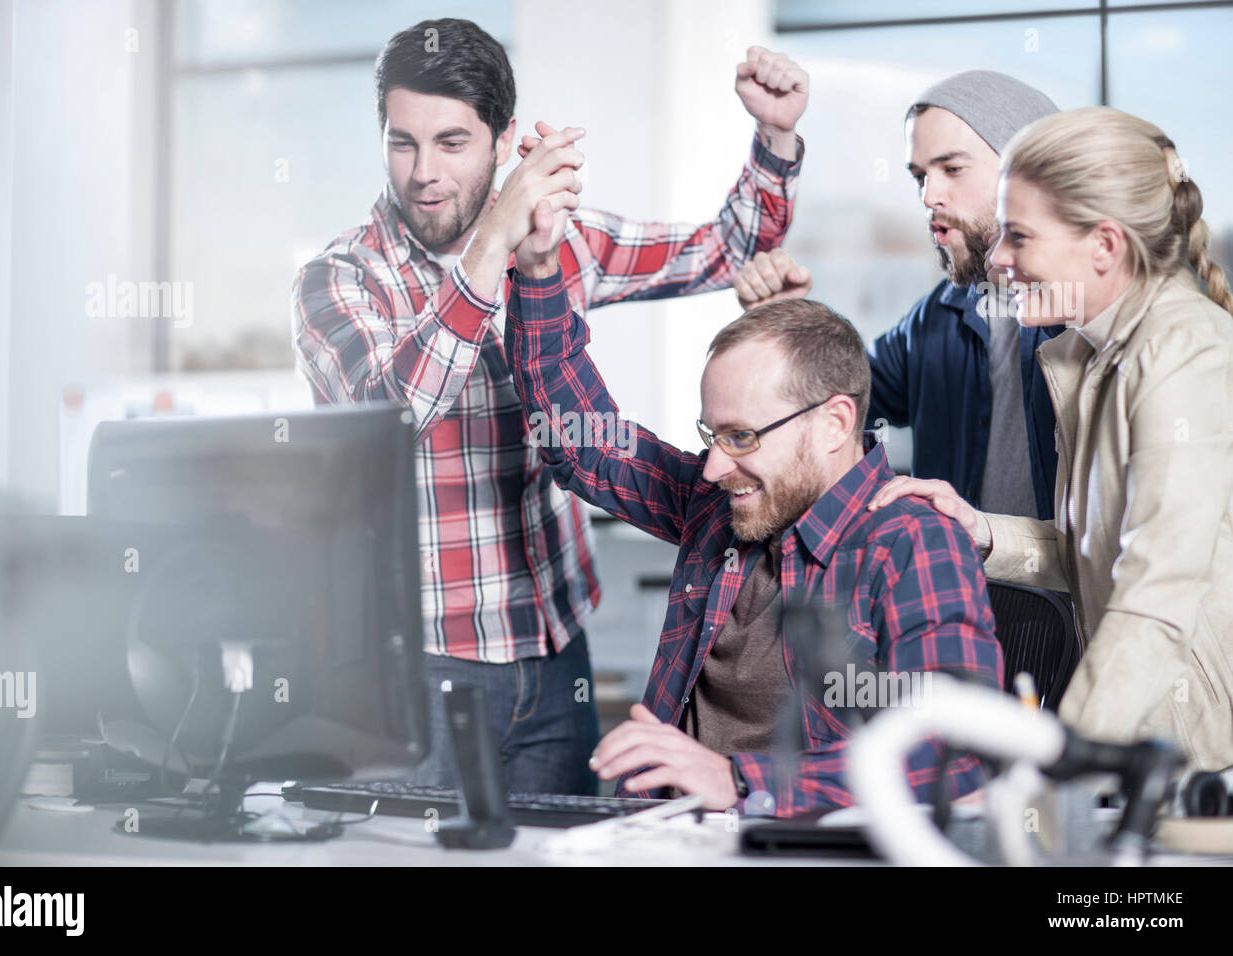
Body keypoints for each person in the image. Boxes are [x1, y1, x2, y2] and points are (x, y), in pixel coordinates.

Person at [290, 17, 809, 794]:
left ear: (503, 142)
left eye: (452, 142)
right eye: (404, 142)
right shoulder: (340, 278)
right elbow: (393, 415)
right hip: (419, 669)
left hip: (554, 651)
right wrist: (491, 245)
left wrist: (772, 139)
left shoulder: (555, 241)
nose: (424, 172)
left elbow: (725, 250)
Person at [504, 193, 1002, 813]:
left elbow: (953, 753)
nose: (714, 465)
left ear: (833, 423)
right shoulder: (724, 502)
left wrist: (738, 780)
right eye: (711, 435)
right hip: (662, 836)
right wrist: (537, 271)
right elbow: (584, 444)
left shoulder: (911, 542)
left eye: (741, 436)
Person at [869, 106, 1233, 771]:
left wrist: (1057, 754)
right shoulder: (1082, 359)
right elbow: (1091, 555)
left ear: (1104, 245)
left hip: (1203, 752)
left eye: (1019, 237)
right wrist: (978, 529)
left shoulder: (1184, 353)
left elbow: (1156, 595)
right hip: (1146, 738)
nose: (998, 259)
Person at [734, 71, 1063, 519]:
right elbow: (836, 403)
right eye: (919, 177)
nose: (929, 197)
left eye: (952, 169)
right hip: (955, 585)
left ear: (1028, 171)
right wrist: (785, 323)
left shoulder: (1094, 318)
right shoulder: (939, 316)